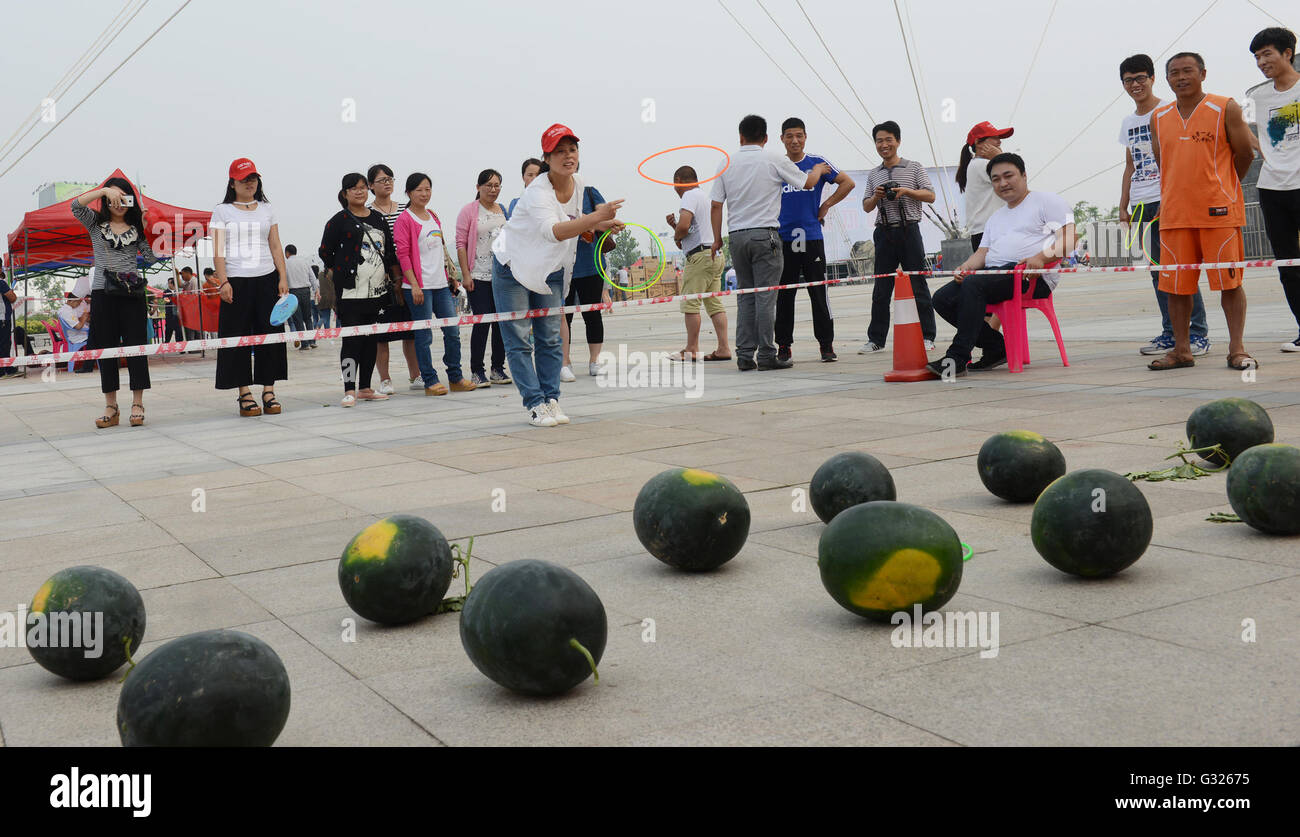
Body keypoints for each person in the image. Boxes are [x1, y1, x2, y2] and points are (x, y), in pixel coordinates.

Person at [492, 123, 623, 426]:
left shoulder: (581, 184)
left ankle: (552, 399)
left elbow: (571, 221)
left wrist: (601, 225)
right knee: (520, 339)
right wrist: (595, 217)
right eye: (559, 151)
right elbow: (554, 231)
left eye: (572, 150)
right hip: (513, 266)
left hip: (550, 268)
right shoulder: (537, 191)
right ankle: (535, 404)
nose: (568, 156)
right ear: (546, 159)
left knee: (550, 337)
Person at [1148, 52, 1256, 371]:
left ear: (1203, 73)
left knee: (1230, 283)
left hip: (1219, 214)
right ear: (1166, 79)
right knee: (1176, 287)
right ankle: (1182, 351)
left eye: (1188, 71)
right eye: (1174, 73)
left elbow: (1245, 154)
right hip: (1174, 216)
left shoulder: (1225, 107)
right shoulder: (1158, 116)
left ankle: (1237, 350)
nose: (1181, 78)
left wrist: (1222, 186)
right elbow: (1162, 160)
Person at [928, 153, 1075, 376]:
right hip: (993, 274)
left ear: (1024, 175)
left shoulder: (1047, 201)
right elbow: (983, 253)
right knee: (942, 298)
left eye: (1008, 176)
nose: (1003, 183)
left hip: (1030, 277)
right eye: (996, 179)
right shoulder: (996, 216)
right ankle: (996, 347)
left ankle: (957, 358)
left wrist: (1041, 257)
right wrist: (965, 267)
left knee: (974, 285)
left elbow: (1070, 239)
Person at [710, 114, 831, 371]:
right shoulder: (774, 158)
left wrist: (716, 238)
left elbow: (716, 205)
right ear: (766, 138)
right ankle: (766, 354)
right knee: (766, 297)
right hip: (766, 236)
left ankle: (744, 354)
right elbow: (808, 183)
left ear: (740, 137)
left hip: (737, 237)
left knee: (746, 297)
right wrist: (818, 169)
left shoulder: (726, 162)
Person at [1116, 54, 1212, 358]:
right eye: (1129, 80)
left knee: (1180, 268)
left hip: (1169, 198)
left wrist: (1171, 197)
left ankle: (1197, 334)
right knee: (1158, 272)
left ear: (1153, 79)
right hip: (1141, 203)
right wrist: (1123, 206)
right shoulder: (1129, 122)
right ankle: (1171, 332)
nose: (1135, 85)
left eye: (1141, 78)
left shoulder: (1168, 111)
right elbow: (1130, 165)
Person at [71, 178, 158, 426]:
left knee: (136, 346)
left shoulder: (137, 227)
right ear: (106, 199)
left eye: (125, 197)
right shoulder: (95, 224)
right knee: (106, 348)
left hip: (132, 294)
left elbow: (151, 258)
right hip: (103, 293)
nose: (120, 203)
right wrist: (103, 190)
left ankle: (137, 403)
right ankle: (111, 406)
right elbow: (75, 207)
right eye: (114, 197)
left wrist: (147, 228)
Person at [212, 158, 290, 416]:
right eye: (244, 179)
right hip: (236, 281)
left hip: (267, 277)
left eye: (253, 178)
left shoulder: (267, 209)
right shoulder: (222, 211)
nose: (250, 183)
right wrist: (223, 280)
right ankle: (244, 392)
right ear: (232, 182)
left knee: (270, 334)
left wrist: (283, 277)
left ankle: (269, 389)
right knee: (238, 337)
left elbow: (276, 245)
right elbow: (218, 250)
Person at [774, 117, 854, 362]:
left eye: (799, 135)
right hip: (783, 239)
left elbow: (847, 183)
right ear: (782, 139)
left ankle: (826, 345)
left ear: (805, 137)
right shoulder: (776, 165)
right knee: (784, 295)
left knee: (818, 293)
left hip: (811, 237)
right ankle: (784, 347)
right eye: (789, 136)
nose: (795, 140)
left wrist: (826, 205)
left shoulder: (817, 163)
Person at [320, 173, 399, 407]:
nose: (359, 191)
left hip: (376, 292)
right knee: (352, 341)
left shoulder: (378, 219)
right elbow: (325, 251)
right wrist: (343, 269)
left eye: (363, 187)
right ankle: (349, 389)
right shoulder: (338, 220)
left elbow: (389, 251)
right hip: (350, 293)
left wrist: (394, 279)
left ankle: (365, 386)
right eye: (353, 188)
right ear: (345, 193)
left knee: (370, 339)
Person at [860, 120, 937, 353]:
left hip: (909, 230)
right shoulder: (874, 174)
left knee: (918, 284)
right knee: (881, 288)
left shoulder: (913, 167)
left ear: (898, 141)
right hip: (884, 232)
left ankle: (927, 337)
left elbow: (930, 195)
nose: (884, 145)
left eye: (888, 140)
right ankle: (876, 339)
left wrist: (906, 191)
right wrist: (877, 196)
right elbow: (865, 206)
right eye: (879, 141)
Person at [395, 172, 474, 396]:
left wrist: (450, 275)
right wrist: (415, 285)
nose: (424, 193)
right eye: (419, 189)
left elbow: (440, 249)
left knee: (452, 330)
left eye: (427, 189)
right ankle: (430, 380)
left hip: (440, 285)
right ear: (409, 192)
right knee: (424, 335)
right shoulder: (405, 219)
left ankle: (456, 377)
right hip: (419, 287)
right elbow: (403, 255)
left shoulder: (433, 216)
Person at [1247, 27, 1300, 352]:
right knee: (1288, 264)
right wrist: (1262, 149)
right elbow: (1242, 129)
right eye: (1257, 57)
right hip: (1272, 187)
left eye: (1267, 54)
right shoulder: (1259, 97)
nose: (1261, 62)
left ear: (1287, 53)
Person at [666, 165, 731, 362]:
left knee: (690, 303)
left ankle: (691, 348)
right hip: (715, 254)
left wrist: (677, 231)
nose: (675, 190)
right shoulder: (704, 196)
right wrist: (675, 228)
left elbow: (684, 226)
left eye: (675, 185)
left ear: (679, 180)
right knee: (713, 303)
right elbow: (689, 229)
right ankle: (723, 348)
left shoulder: (689, 195)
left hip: (700, 256)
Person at [366, 163, 419, 393]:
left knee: (411, 330)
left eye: (390, 178)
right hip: (381, 278)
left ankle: (416, 375)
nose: (387, 183)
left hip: (407, 275)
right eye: (381, 179)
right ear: (370, 185)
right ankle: (385, 379)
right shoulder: (368, 213)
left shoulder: (406, 210)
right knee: (382, 334)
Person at [456, 169, 512, 388]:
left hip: (502, 276)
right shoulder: (469, 211)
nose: (493, 189)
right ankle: (477, 371)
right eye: (488, 185)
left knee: (501, 324)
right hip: (478, 276)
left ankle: (497, 368)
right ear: (478, 187)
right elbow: (461, 244)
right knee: (483, 321)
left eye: (497, 185)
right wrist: (466, 274)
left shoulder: (503, 210)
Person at [561, 174, 615, 379]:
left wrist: (604, 221)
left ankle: (595, 360)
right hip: (562, 266)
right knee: (563, 317)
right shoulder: (551, 196)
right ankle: (564, 362)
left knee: (592, 314)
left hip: (590, 265)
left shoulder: (590, 193)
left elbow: (605, 217)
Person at [957, 122, 1014, 250]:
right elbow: (1016, 181)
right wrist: (999, 156)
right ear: (978, 142)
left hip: (987, 231)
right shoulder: (982, 165)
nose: (999, 142)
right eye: (994, 138)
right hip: (988, 232)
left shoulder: (979, 164)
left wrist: (999, 158)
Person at [283, 245, 318, 349]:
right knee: (308, 318)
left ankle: (305, 344)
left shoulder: (286, 263)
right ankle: (312, 341)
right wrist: (316, 291)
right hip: (306, 291)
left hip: (293, 293)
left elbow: (283, 278)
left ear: (287, 253)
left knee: (298, 319)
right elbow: (312, 277)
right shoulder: (304, 261)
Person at [57, 291, 91, 371]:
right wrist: (84, 318)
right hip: (78, 336)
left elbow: (77, 321)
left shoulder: (66, 309)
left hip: (77, 334)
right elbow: (78, 326)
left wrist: (83, 318)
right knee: (101, 337)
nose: (79, 304)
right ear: (72, 301)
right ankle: (91, 364)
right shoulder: (67, 312)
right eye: (78, 302)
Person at [0, 268, 17, 377]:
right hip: (2, 318)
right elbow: (12, 298)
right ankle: (4, 369)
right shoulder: (1, 283)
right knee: (4, 344)